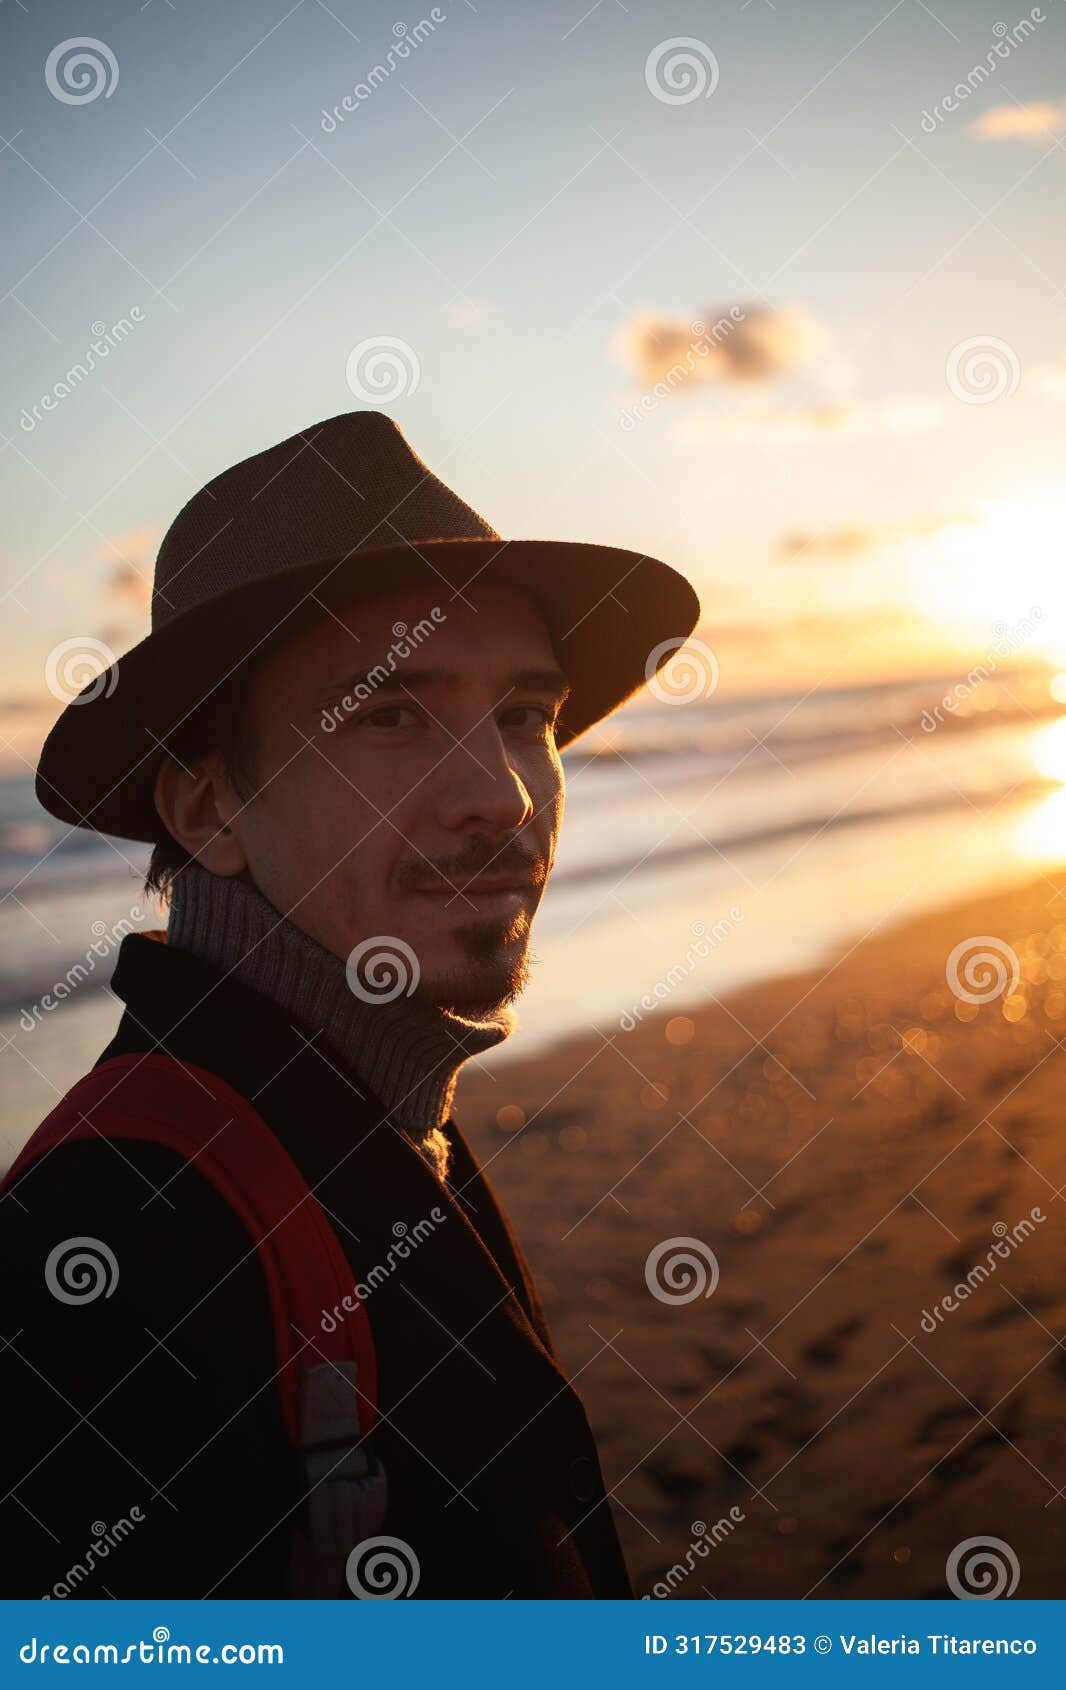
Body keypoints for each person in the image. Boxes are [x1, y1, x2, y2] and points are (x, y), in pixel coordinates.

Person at [0, 410, 699, 1598]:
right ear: (210, 807)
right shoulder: (116, 1227)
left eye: (524, 716)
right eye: (388, 713)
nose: (501, 794)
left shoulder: (379, 1099)